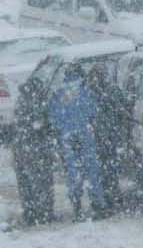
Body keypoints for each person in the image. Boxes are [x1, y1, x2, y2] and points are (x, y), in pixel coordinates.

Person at [48, 65, 107, 220]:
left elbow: (53, 117)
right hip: (85, 135)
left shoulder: (59, 94)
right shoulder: (85, 91)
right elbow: (94, 111)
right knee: (92, 171)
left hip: (67, 137)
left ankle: (77, 206)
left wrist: (63, 128)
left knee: (73, 172)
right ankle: (97, 205)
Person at [11, 74, 57, 225]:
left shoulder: (21, 102)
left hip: (21, 149)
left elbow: (20, 126)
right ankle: (44, 213)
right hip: (35, 150)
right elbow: (42, 126)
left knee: (26, 183)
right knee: (41, 182)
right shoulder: (36, 103)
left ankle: (31, 212)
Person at [86, 63, 130, 212]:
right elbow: (123, 109)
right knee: (108, 171)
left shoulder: (91, 92)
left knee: (104, 171)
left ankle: (106, 200)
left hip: (103, 138)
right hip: (106, 137)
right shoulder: (110, 90)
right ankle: (110, 199)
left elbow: (122, 109)